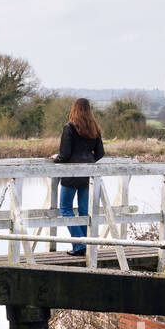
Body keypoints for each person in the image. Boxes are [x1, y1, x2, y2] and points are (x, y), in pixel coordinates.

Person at [48, 98, 105, 255]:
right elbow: (100, 153)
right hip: (87, 174)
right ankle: (85, 244)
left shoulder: (70, 127)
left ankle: (80, 245)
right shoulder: (94, 128)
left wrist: (56, 158)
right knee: (84, 210)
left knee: (65, 209)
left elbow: (65, 155)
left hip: (71, 174)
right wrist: (88, 160)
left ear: (74, 109)